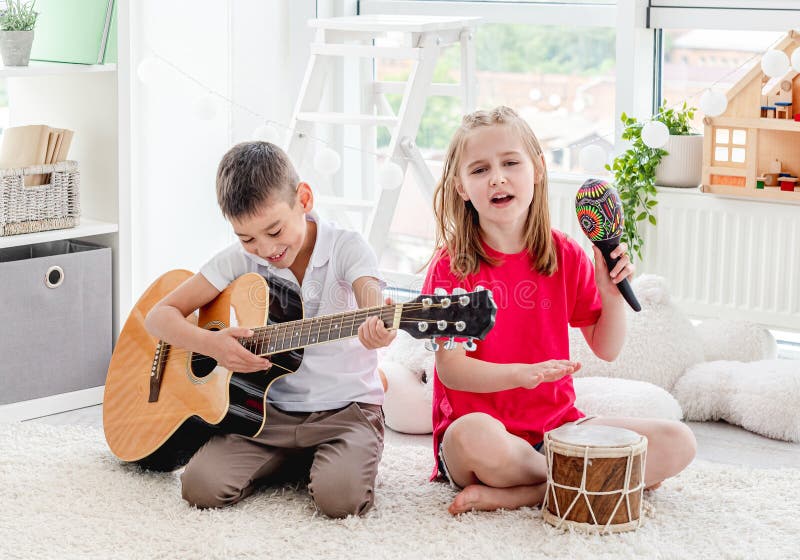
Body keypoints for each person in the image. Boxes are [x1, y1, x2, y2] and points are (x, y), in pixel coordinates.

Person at [422, 106, 696, 515]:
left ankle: (528, 491)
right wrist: (520, 375)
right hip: (483, 439)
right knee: (473, 436)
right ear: (461, 187)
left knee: (678, 442)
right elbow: (451, 369)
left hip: (559, 430)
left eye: (510, 162)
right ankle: (586, 480)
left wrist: (611, 294)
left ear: (536, 169)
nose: (497, 177)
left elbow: (607, 348)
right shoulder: (450, 266)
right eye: (479, 170)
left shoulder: (563, 254)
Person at [144, 141, 395, 518]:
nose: (265, 248)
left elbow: (371, 297)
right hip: (265, 414)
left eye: (275, 230)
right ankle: (295, 459)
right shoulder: (242, 259)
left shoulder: (347, 247)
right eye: (246, 238)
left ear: (304, 199)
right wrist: (211, 344)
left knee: (340, 501)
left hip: (345, 411)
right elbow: (158, 316)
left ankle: (319, 459)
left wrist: (380, 322)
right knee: (199, 487)